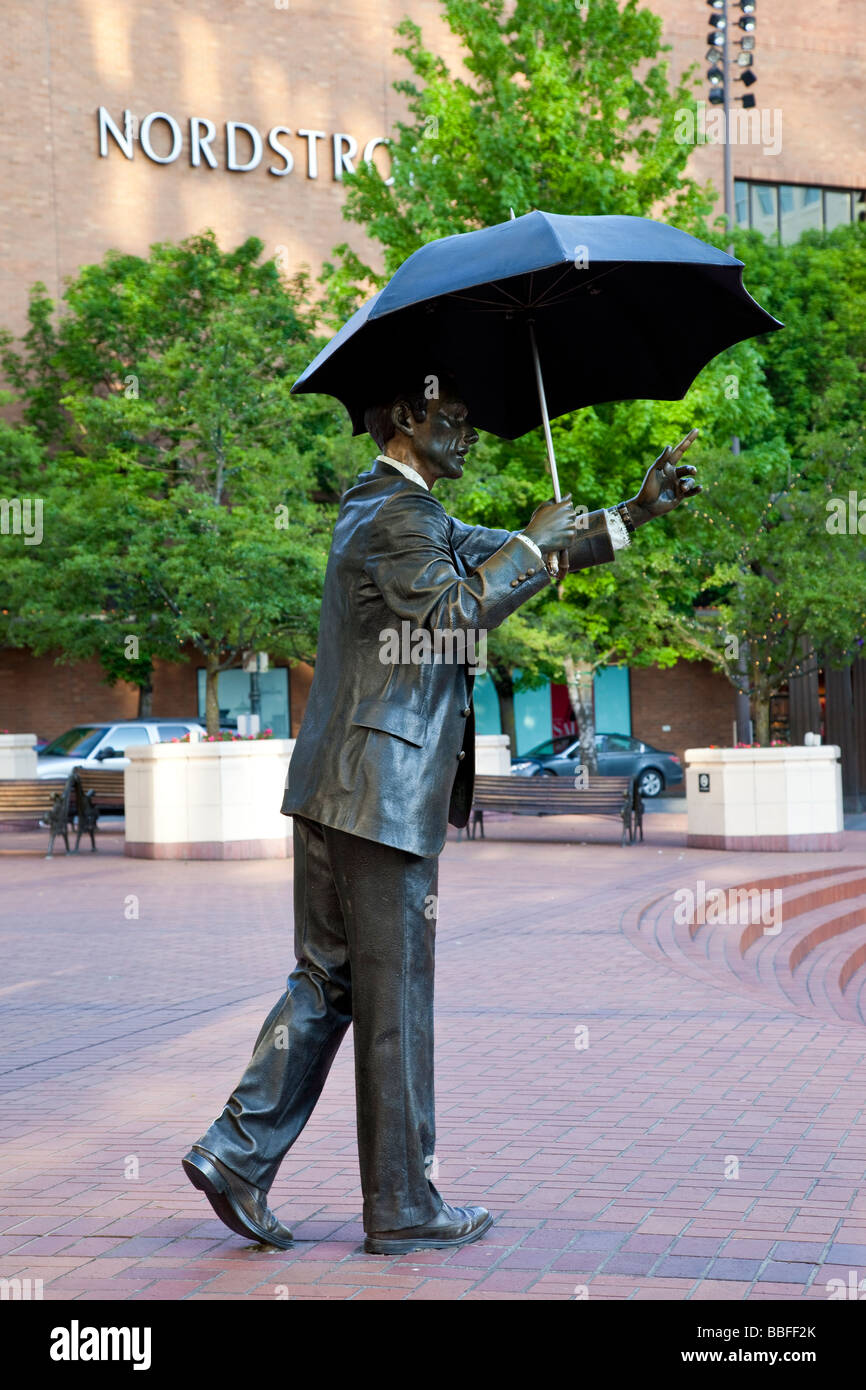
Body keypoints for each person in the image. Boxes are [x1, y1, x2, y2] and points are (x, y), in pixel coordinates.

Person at [182, 374, 700, 1254]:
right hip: (376, 792)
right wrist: (530, 549)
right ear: (406, 418)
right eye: (453, 420)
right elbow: (463, 608)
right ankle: (402, 1205)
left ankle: (236, 1152)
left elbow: (526, 559)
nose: (468, 435)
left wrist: (633, 514)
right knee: (394, 998)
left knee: (329, 981)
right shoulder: (392, 516)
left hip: (346, 789)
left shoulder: (407, 512)